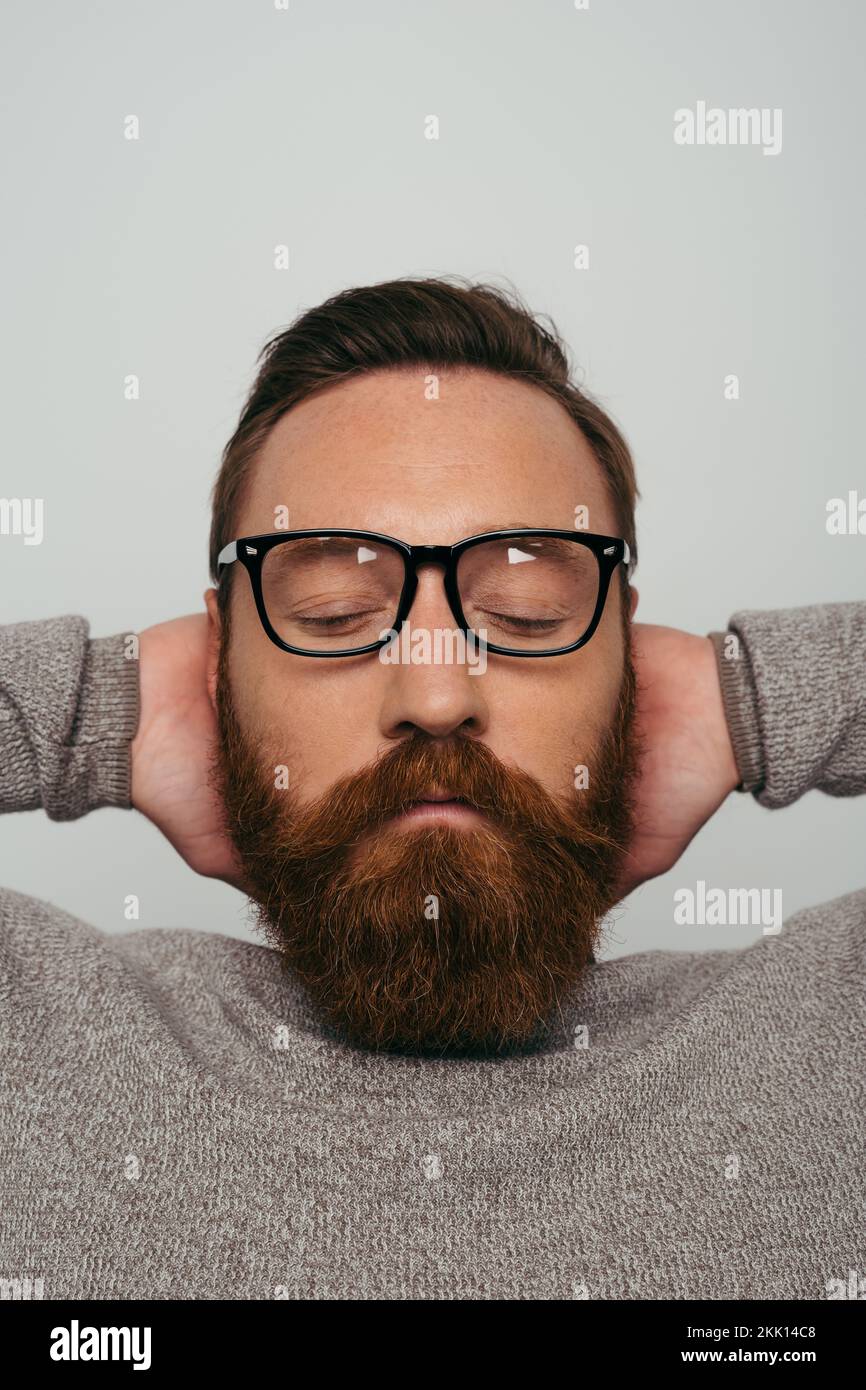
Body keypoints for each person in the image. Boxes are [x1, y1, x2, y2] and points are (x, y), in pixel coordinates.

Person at [1, 279, 863, 1300]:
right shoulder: (37, 1041)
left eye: (530, 609)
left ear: (628, 656)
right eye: (327, 611)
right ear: (216, 659)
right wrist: (99, 711)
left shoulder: (828, 1043)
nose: (436, 694)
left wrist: (750, 699)